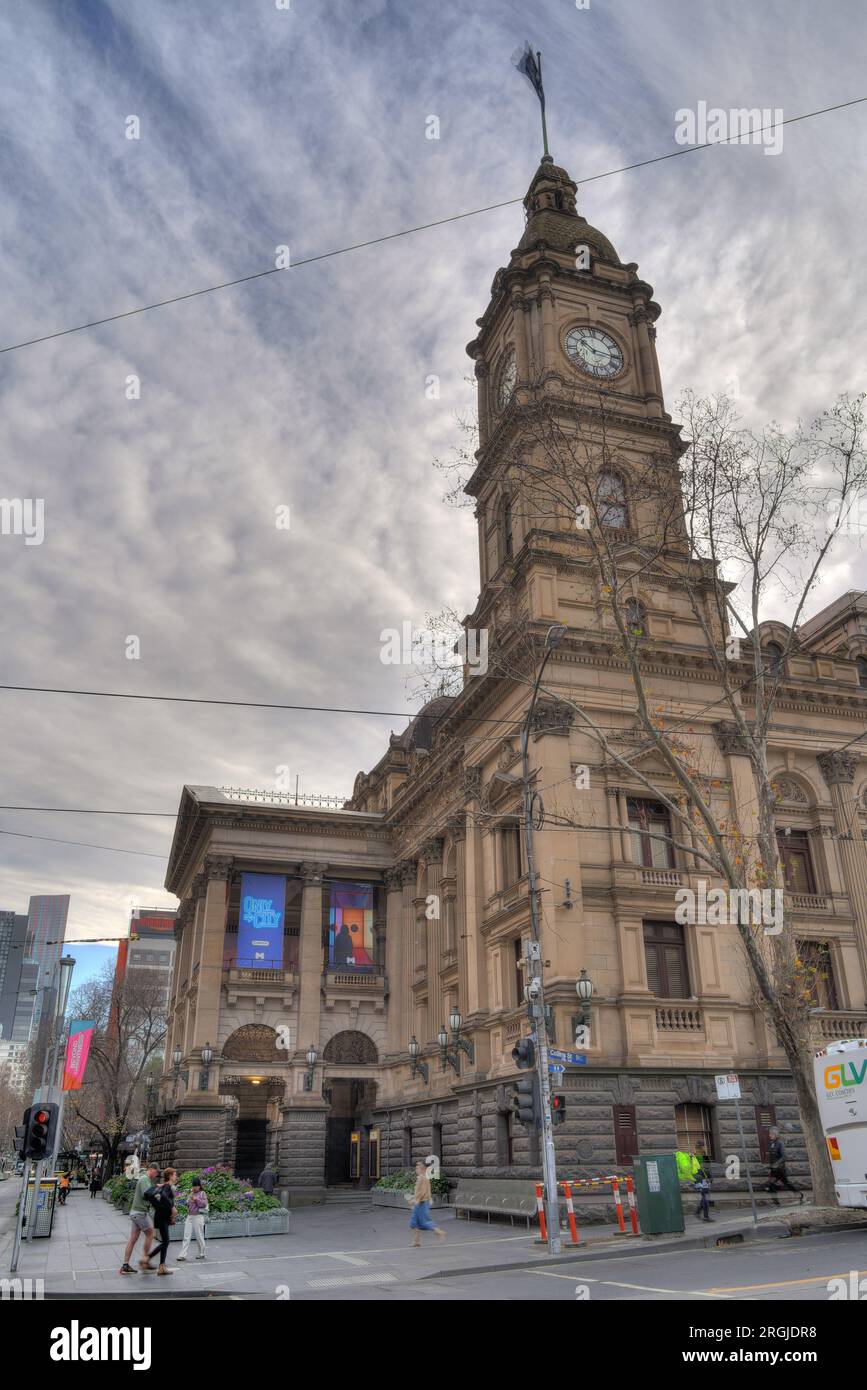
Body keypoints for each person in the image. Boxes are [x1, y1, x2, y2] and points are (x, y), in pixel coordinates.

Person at [119, 1161, 158, 1275]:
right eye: (156, 1172)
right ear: (152, 1170)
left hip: (135, 1212)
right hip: (140, 1213)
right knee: (150, 1234)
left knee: (133, 1238)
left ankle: (125, 1265)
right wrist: (159, 1192)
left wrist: (156, 1188)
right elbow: (148, 1194)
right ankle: (145, 1260)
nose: (156, 1175)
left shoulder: (144, 1179)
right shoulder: (145, 1179)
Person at [146, 1167, 177, 1276]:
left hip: (161, 1216)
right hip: (162, 1217)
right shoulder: (168, 1186)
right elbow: (164, 1197)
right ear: (170, 1176)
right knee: (166, 1241)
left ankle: (162, 1267)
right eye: (175, 1174)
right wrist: (173, 1208)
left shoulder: (164, 1185)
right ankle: (148, 1259)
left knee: (165, 1241)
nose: (176, 1176)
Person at [409, 1160, 444, 1247]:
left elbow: (423, 1192)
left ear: (422, 1169)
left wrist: (416, 1201)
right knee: (414, 1223)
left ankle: (439, 1232)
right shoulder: (421, 1178)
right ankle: (416, 1241)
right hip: (420, 1202)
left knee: (423, 1222)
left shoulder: (423, 1178)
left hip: (422, 1203)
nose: (416, 1169)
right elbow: (419, 1192)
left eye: (417, 1168)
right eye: (416, 1168)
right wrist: (413, 1199)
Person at [767, 1128, 804, 1205]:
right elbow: (772, 1157)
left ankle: (800, 1195)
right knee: (771, 1184)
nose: (770, 1135)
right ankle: (776, 1202)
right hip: (773, 1169)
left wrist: (776, 1164)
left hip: (780, 1168)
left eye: (772, 1134)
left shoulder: (780, 1144)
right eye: (770, 1134)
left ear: (776, 1135)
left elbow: (784, 1157)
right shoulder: (771, 1144)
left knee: (786, 1183)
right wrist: (771, 1166)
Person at [177, 1177, 209, 1262]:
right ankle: (182, 1254)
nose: (194, 1188)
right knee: (186, 1236)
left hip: (198, 1217)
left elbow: (204, 1205)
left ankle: (201, 1253)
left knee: (199, 1236)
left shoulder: (203, 1193)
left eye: (196, 1186)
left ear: (199, 1186)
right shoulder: (191, 1194)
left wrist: (197, 1199)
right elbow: (187, 1203)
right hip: (190, 1216)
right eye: (193, 1186)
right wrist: (188, 1201)